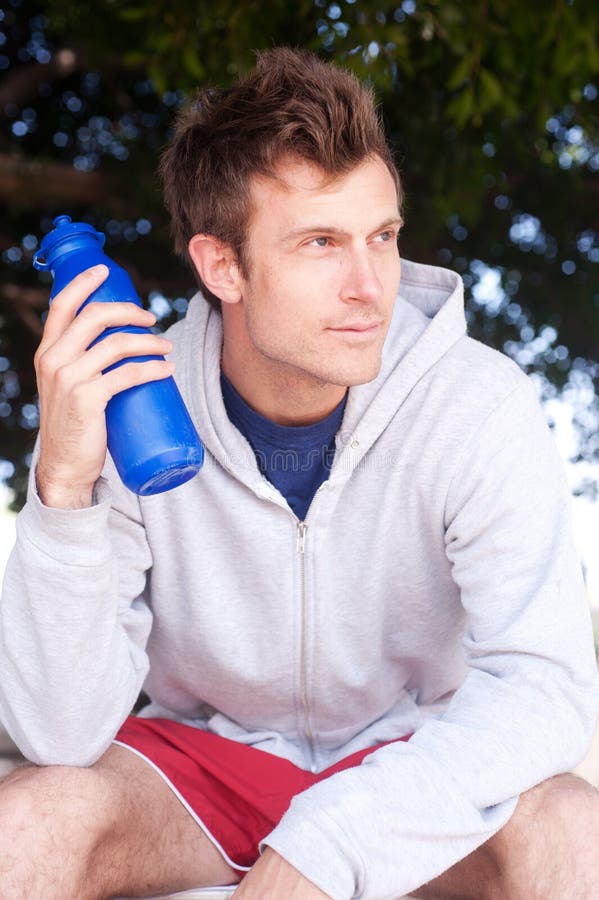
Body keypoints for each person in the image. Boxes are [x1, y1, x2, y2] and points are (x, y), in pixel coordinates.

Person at [0, 46, 598, 900]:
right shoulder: (135, 409)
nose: (369, 286)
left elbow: (544, 686)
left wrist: (334, 840)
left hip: (411, 759)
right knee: (24, 823)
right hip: (206, 768)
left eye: (381, 236)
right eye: (320, 242)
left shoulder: (476, 403)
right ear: (222, 266)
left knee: (575, 827)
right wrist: (62, 491)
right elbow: (59, 734)